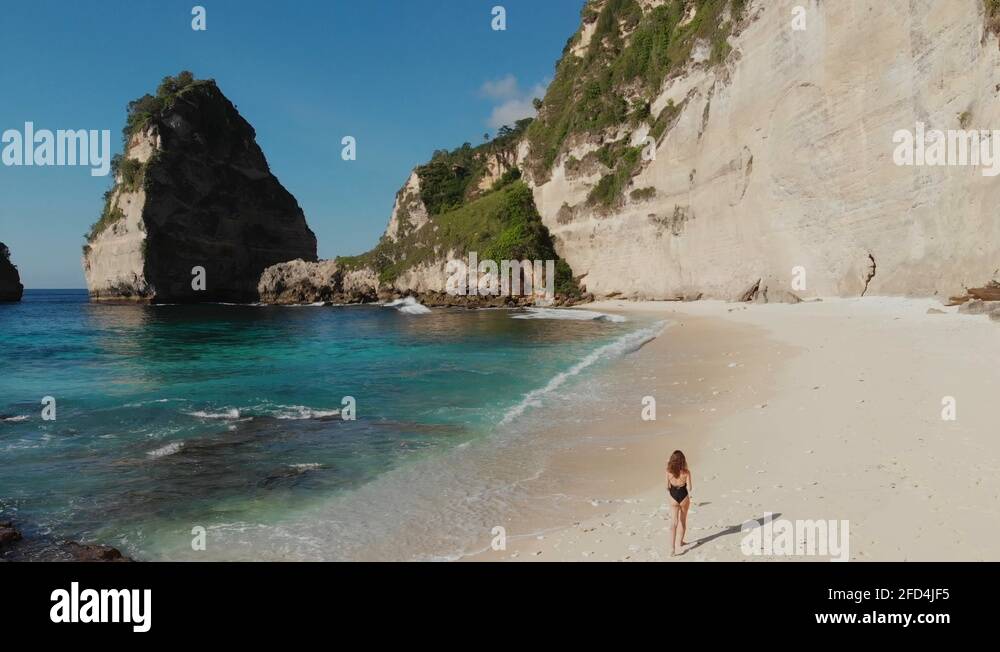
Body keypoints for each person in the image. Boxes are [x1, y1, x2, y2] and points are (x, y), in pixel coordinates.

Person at [666, 450, 692, 556]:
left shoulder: (668, 471)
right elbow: (690, 487)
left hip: (673, 496)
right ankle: (680, 542)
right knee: (683, 520)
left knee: (674, 523)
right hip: (683, 495)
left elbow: (667, 486)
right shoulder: (686, 472)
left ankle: (672, 549)